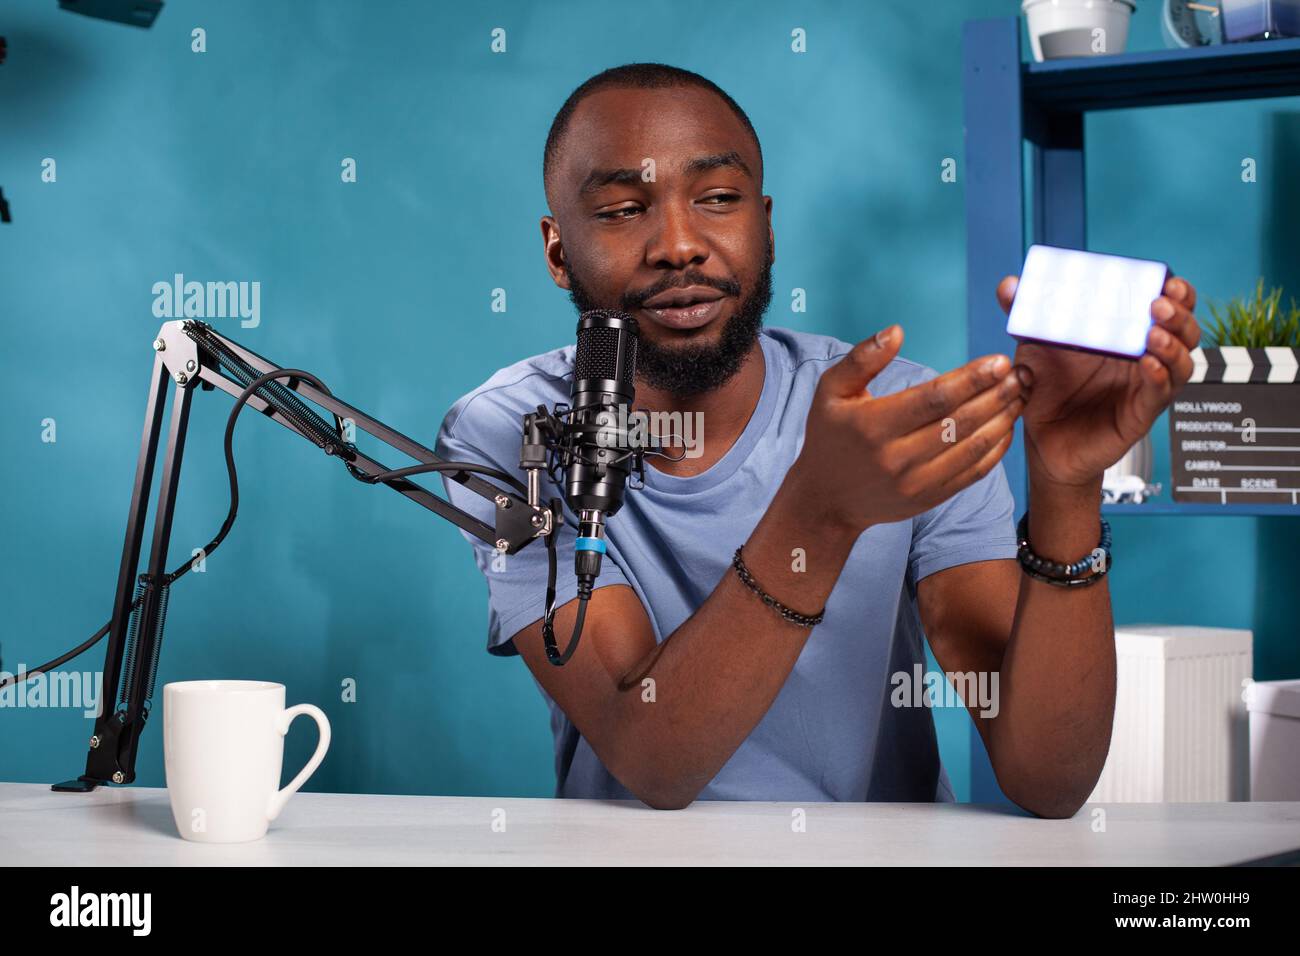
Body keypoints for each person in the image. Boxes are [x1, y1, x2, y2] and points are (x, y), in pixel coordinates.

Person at [436, 63, 1201, 814]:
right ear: (557, 251)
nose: (677, 244)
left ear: (766, 225)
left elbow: (1049, 779)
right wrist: (820, 513)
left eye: (718, 198)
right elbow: (655, 759)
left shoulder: (897, 411)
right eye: (622, 210)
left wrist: (1067, 485)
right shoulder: (507, 431)